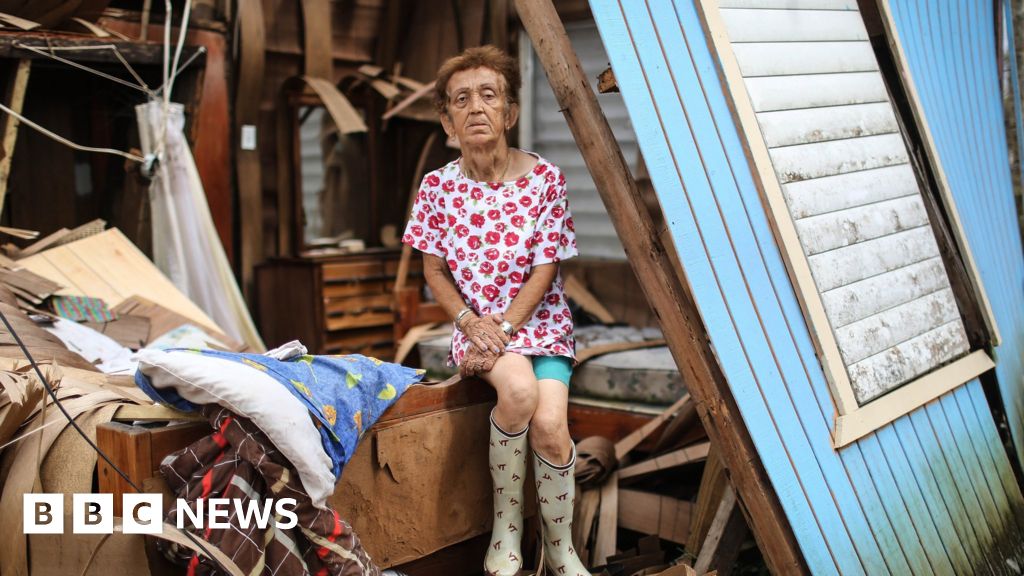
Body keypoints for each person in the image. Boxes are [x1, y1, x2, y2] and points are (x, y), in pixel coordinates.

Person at [401, 45, 590, 576]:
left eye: (489, 95)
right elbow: (433, 272)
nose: (476, 107)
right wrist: (471, 324)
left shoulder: (546, 180)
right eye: (462, 99)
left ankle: (560, 550)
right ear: (447, 121)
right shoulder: (437, 188)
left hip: (540, 326)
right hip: (477, 327)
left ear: (509, 113)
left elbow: (546, 269)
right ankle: (506, 529)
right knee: (521, 392)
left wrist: (507, 328)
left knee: (551, 426)